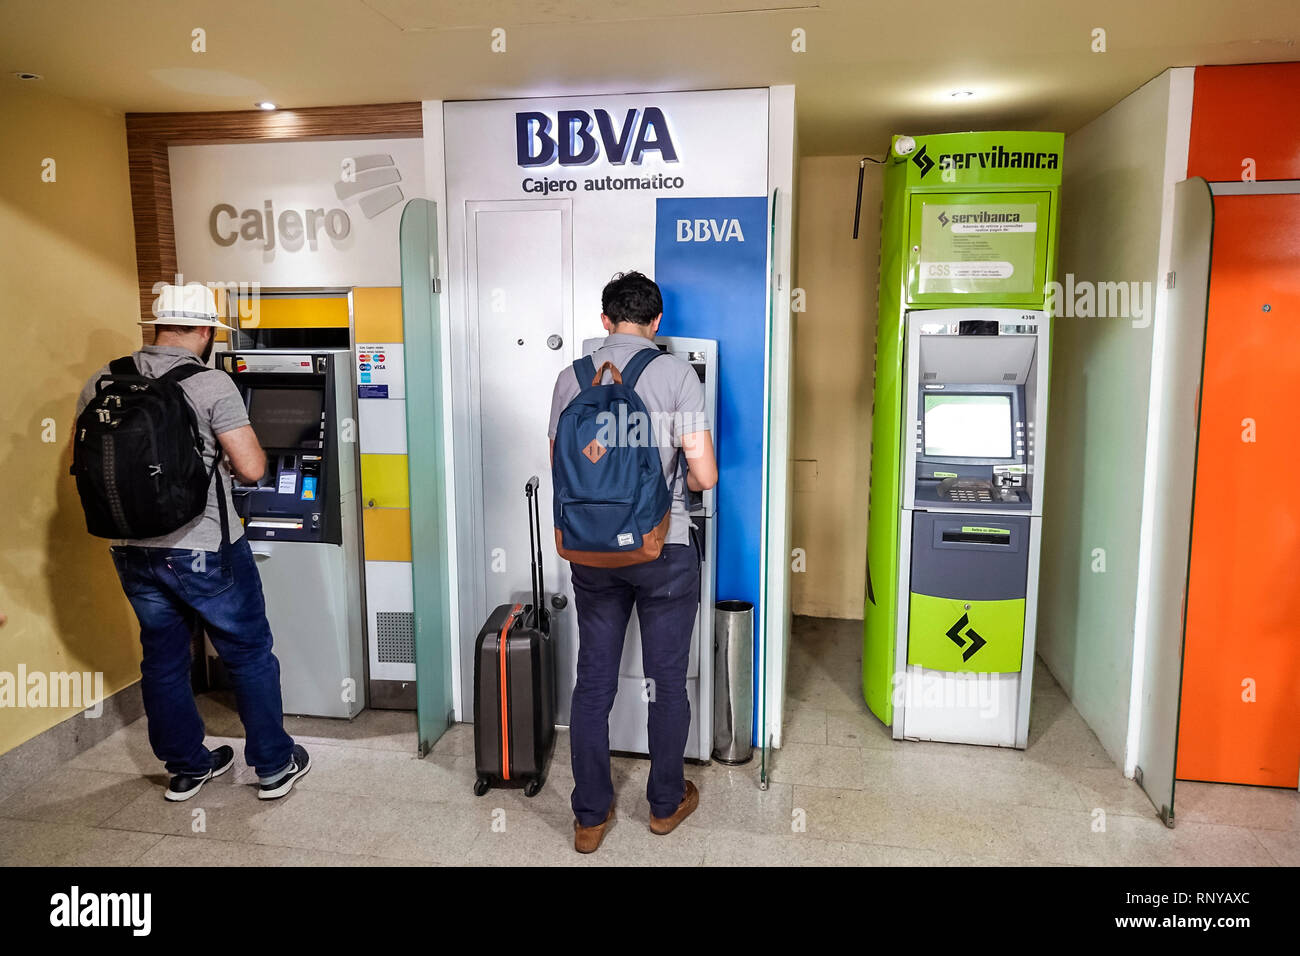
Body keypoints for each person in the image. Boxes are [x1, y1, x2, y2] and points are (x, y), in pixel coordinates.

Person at [76, 284, 309, 802]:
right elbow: (250, 467)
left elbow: (86, 464)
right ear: (205, 332)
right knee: (248, 652)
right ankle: (272, 765)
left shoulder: (102, 380)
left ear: (157, 328)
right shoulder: (210, 384)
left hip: (132, 548)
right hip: (204, 545)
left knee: (162, 658)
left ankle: (187, 767)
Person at [547, 271, 718, 853]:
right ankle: (665, 805)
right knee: (666, 681)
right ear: (657, 321)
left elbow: (559, 464)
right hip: (661, 547)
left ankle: (590, 817)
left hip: (591, 552)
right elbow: (705, 474)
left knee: (592, 681)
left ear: (604, 321)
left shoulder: (569, 377)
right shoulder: (676, 374)